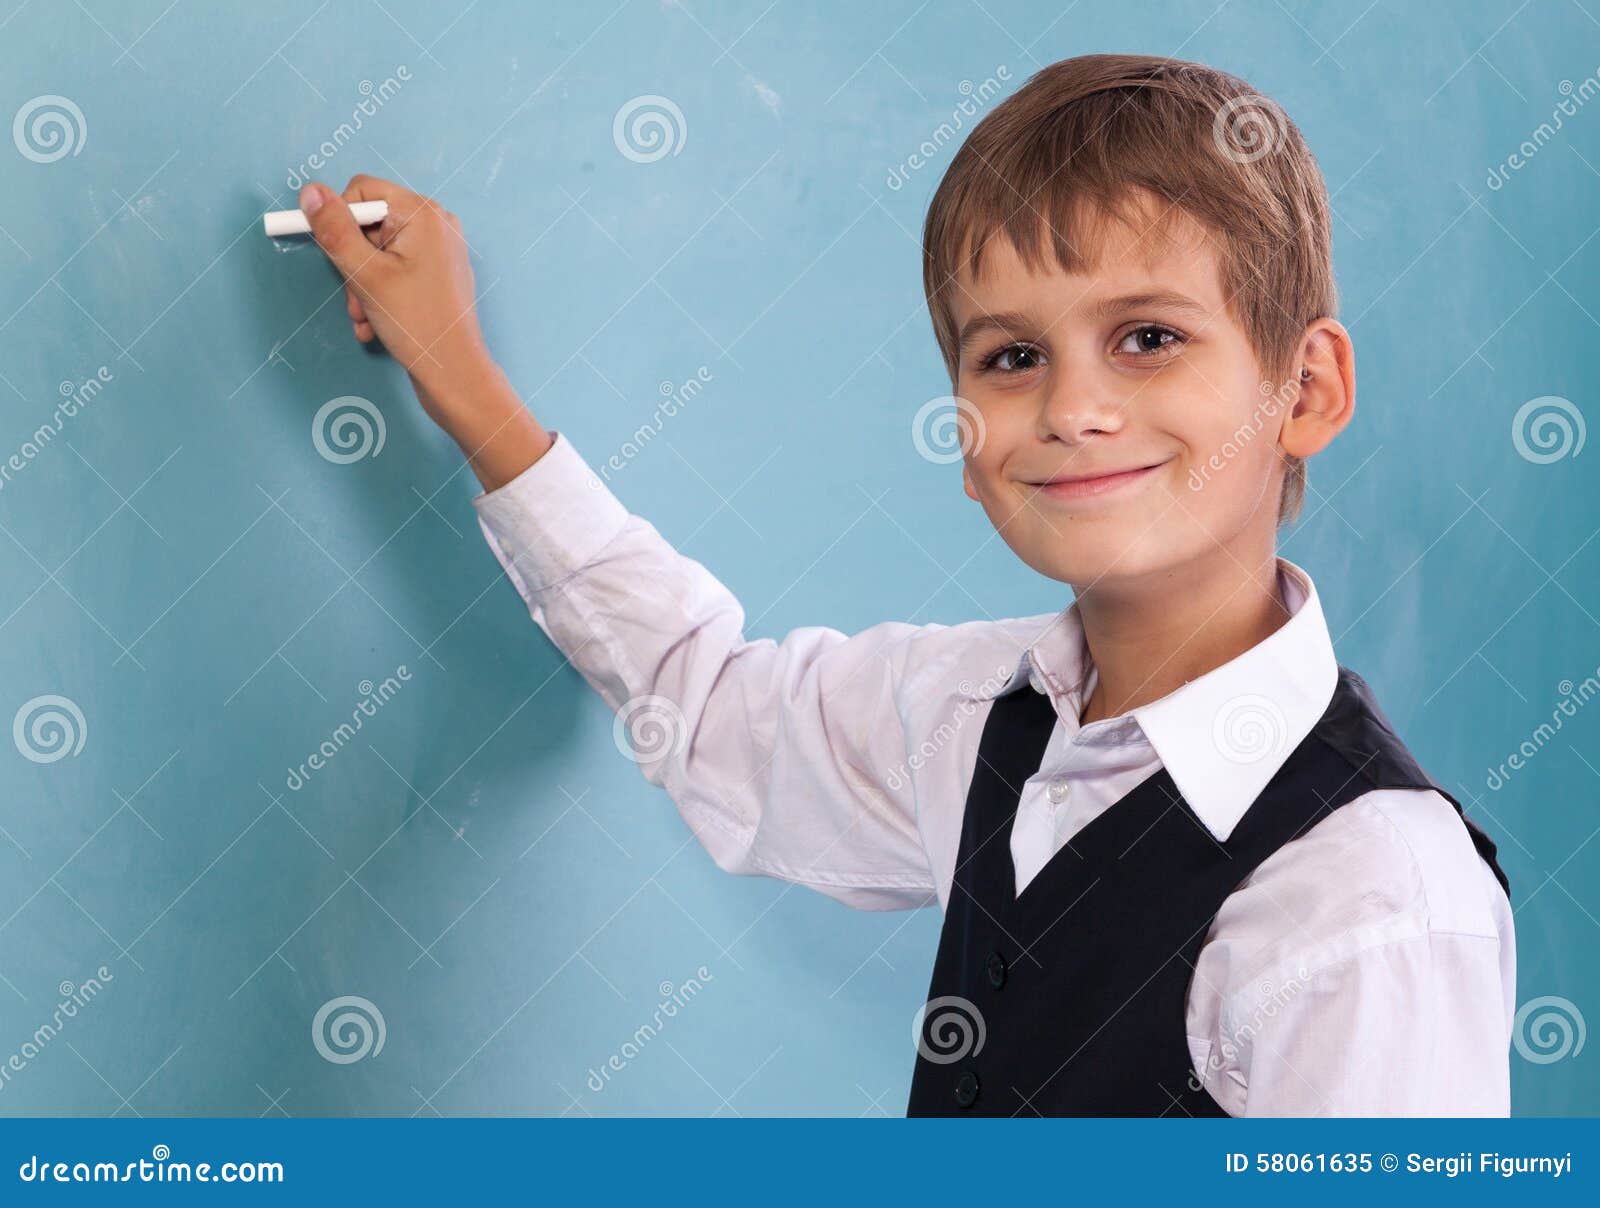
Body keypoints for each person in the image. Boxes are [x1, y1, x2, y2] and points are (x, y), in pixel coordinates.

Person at [295, 53, 1514, 1116]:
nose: (1073, 409)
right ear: (965, 442)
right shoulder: (979, 714)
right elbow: (705, 702)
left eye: (1148, 335)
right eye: (1012, 356)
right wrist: (456, 371)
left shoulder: (1371, 891)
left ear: (1304, 392)